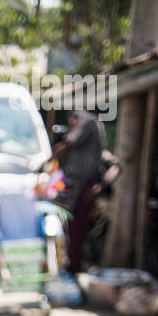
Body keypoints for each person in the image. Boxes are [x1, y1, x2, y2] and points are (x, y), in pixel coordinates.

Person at [54, 109, 106, 274]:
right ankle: (72, 264)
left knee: (75, 228)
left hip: (83, 185)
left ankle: (73, 268)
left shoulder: (89, 123)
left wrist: (50, 158)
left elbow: (68, 143)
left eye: (72, 123)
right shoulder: (93, 125)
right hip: (79, 185)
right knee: (73, 228)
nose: (71, 126)